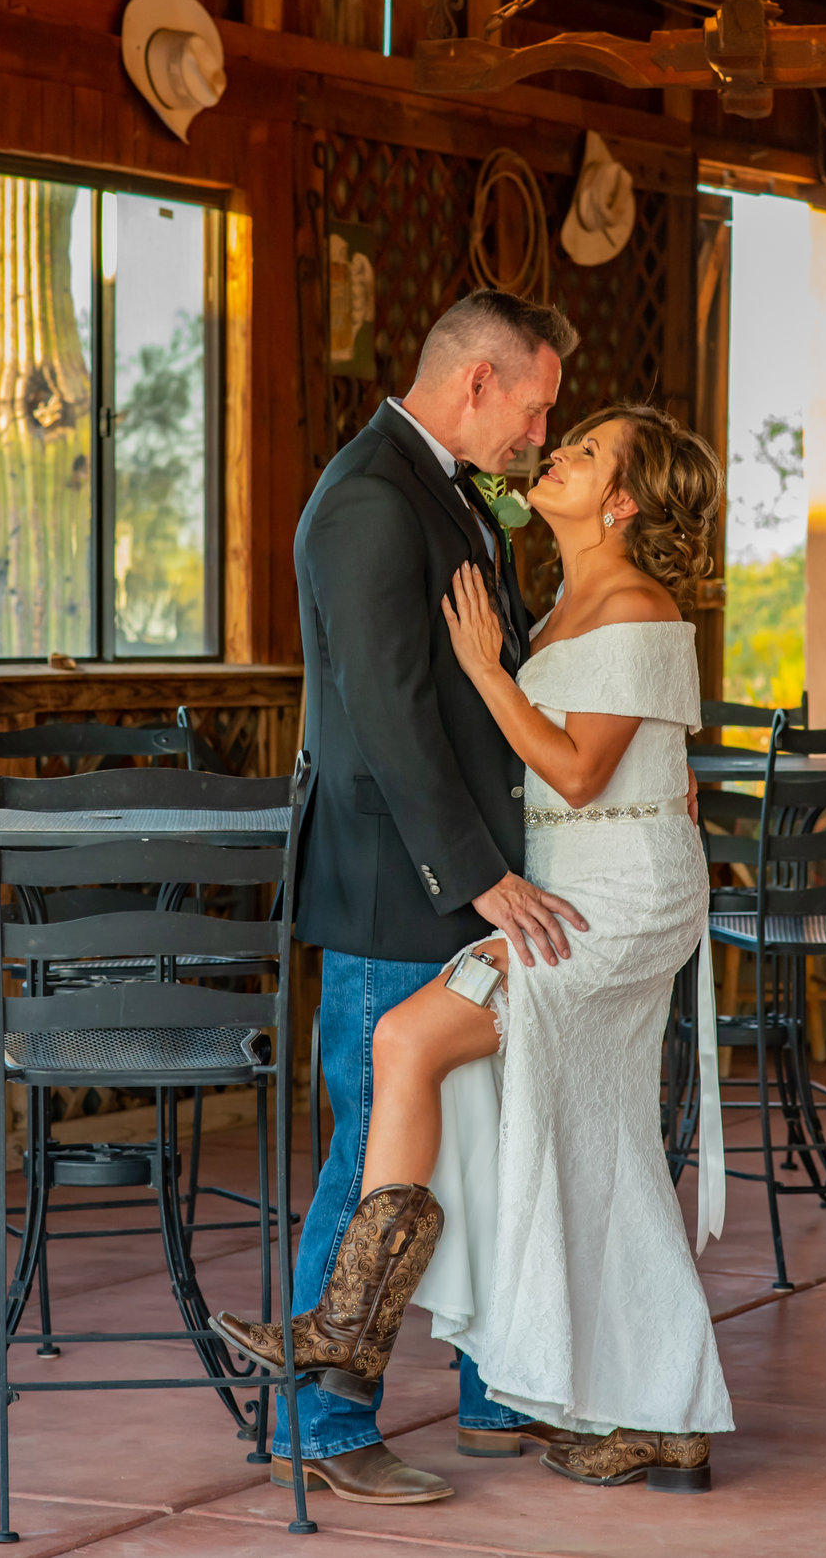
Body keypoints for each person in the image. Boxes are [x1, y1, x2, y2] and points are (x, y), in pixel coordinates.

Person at [216, 402, 733, 1493]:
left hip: (616, 900)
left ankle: (348, 1328)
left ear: (622, 502)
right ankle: (667, 1410)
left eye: (584, 450)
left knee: (411, 1042)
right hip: (570, 885)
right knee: (597, 1148)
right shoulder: (559, 598)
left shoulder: (635, 601)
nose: (557, 449)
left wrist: (488, 669)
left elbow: (579, 771)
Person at [212, 290, 586, 1508]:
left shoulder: (446, 488)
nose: (540, 432)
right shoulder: (372, 495)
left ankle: (493, 1389)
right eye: (536, 406)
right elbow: (388, 714)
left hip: (460, 876)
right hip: (396, 884)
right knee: (371, 1148)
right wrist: (476, 871)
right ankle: (321, 1421)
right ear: (479, 381)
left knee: (480, 1135)